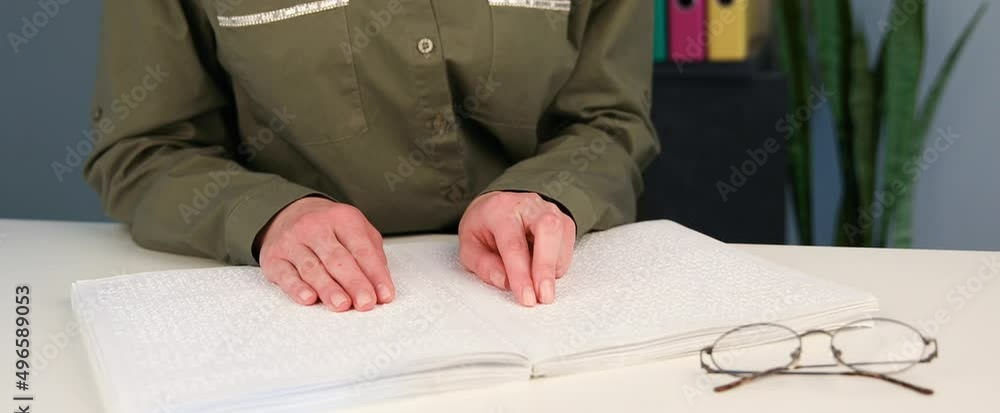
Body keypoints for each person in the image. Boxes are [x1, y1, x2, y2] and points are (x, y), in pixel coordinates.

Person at [85, 0, 660, 311]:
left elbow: (609, 119)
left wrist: (546, 191)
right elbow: (142, 149)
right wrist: (269, 215)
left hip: (535, 309)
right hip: (295, 317)